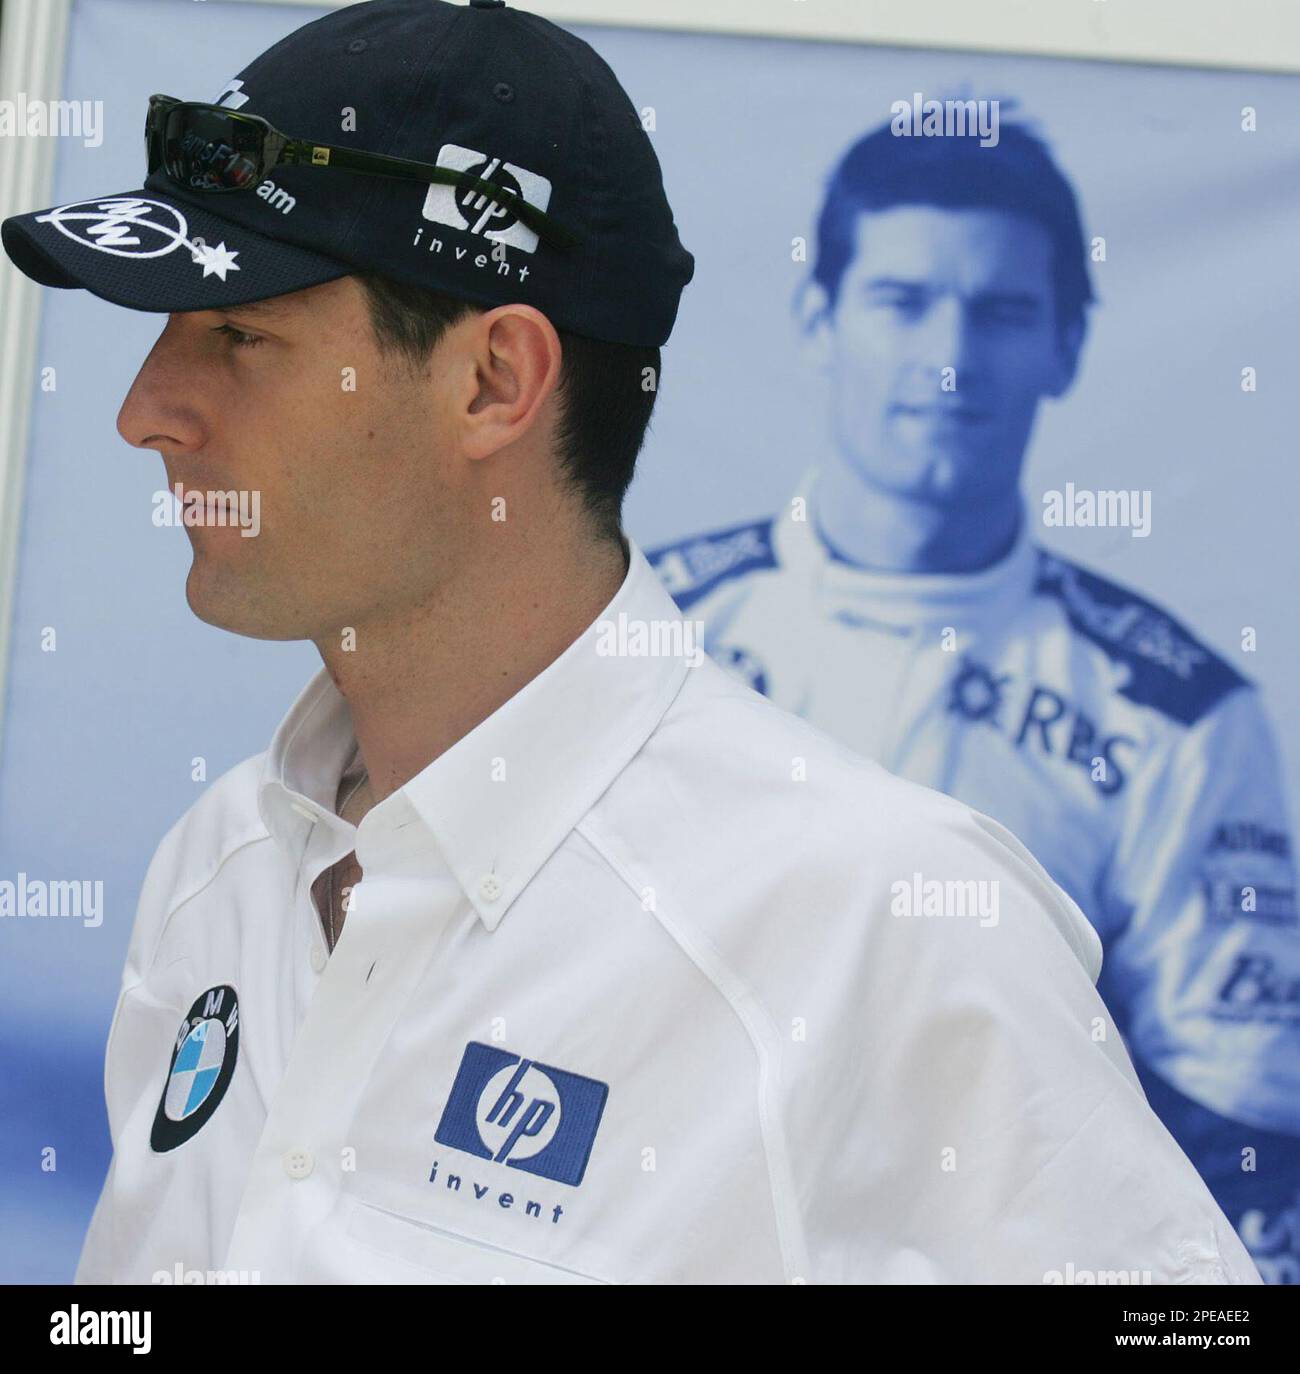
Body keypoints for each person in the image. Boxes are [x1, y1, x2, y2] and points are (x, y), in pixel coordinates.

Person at [3, 1, 1261, 1284]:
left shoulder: (875, 923)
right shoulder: (220, 865)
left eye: (239, 335)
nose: (144, 411)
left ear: (496, 381)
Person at [648, 116, 1300, 1283]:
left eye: (999, 314)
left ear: (1066, 345)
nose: (947, 360)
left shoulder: (1181, 715)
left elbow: (1242, 1149)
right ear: (818, 320)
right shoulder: (634, 632)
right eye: (901, 302)